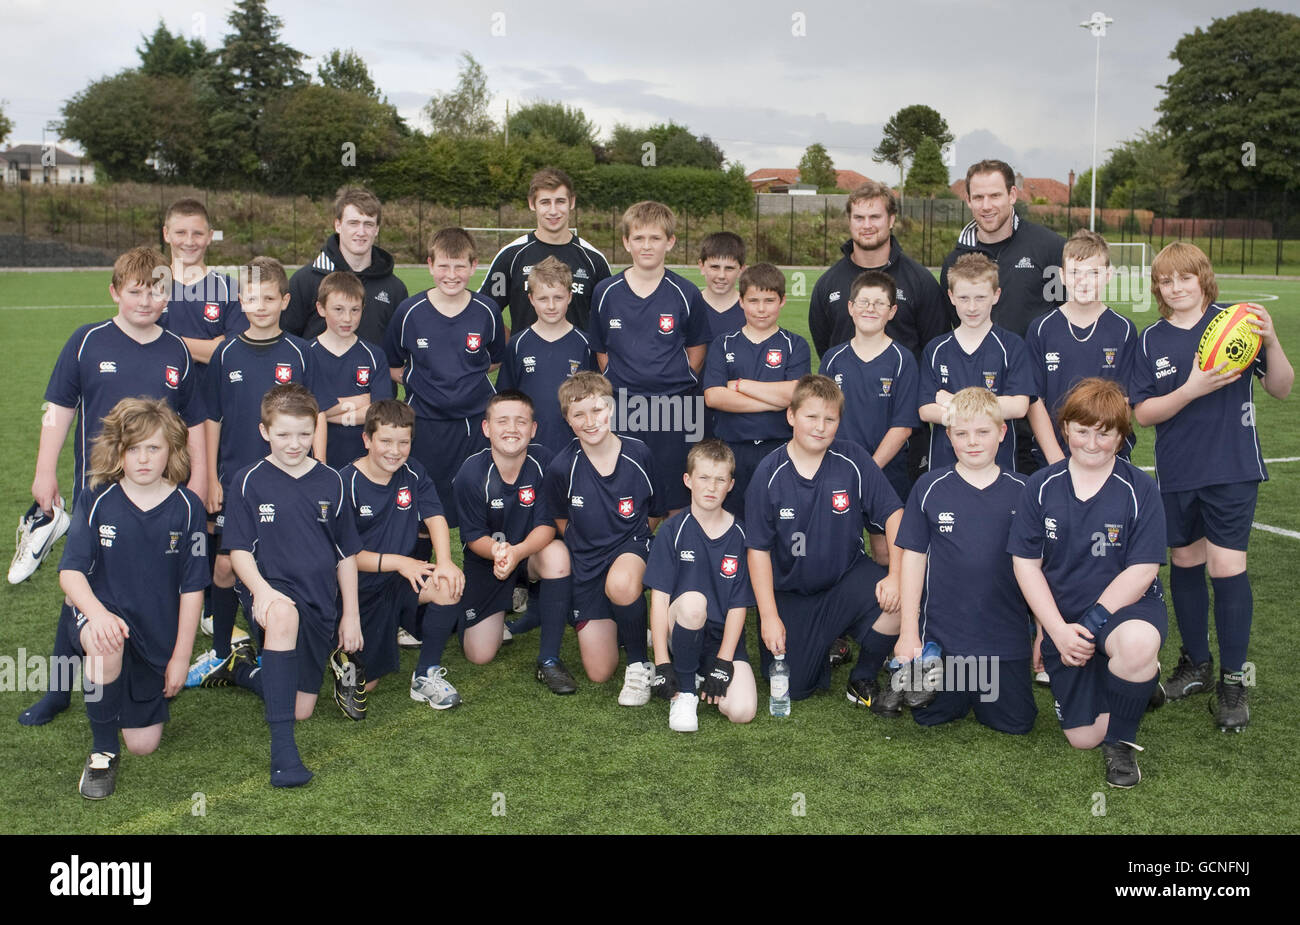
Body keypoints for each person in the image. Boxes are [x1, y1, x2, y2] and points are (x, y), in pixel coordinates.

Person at [19, 246, 207, 727]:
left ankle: (139, 665)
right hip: (97, 491)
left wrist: (203, 480)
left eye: (156, 292)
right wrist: (46, 471)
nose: (146, 302)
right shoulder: (88, 341)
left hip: (155, 495)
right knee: (77, 590)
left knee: (137, 584)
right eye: (135, 292)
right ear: (115, 293)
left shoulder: (177, 351)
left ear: (169, 295)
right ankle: (58, 692)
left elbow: (196, 422)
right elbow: (59, 409)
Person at [1130, 243, 1293, 731]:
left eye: (1185, 278)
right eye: (1165, 281)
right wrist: (1192, 388)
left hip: (1231, 468)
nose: (1176, 288)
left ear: (1203, 278)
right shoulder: (1151, 339)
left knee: (1226, 566)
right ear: (1158, 288)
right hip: (1178, 470)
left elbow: (1281, 388)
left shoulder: (1238, 324)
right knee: (1184, 560)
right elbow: (1142, 413)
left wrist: (1274, 339)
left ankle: (1232, 681)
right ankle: (1196, 664)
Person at [1010, 378, 1168, 787]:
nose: (1092, 444)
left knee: (1134, 646)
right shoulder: (1040, 487)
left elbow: (1143, 569)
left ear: (1121, 435)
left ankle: (1122, 743)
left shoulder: (1141, 490)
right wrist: (1055, 631)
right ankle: (1139, 681)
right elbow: (1027, 566)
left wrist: (1092, 624)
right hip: (1067, 619)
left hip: (1123, 611)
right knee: (1083, 737)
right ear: (1065, 430)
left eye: (1105, 433)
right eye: (1082, 432)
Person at [208, 384, 363, 788]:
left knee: (300, 708)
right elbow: (238, 551)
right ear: (265, 432)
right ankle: (284, 758)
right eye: (283, 434)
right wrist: (261, 591)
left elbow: (345, 554)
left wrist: (351, 615)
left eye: (304, 434)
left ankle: (242, 671)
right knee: (282, 615)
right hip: (269, 589)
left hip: (319, 601)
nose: (294, 444)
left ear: (316, 431)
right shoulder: (248, 481)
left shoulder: (333, 481)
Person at [61, 398, 208, 799]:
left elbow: (192, 587)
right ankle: (102, 751)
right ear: (118, 451)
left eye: (153, 448)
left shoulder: (187, 507)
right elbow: (70, 572)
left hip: (155, 636)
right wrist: (96, 613)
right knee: (105, 641)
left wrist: (180, 657)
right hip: (105, 617)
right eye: (133, 448)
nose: (143, 459)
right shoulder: (97, 499)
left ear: (172, 452)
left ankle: (111, 693)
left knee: (143, 745)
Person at [744, 374, 904, 710]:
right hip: (791, 593)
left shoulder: (853, 460)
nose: (820, 427)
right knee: (794, 687)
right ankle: (828, 642)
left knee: (900, 601)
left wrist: (896, 576)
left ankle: (862, 674)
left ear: (838, 423)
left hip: (846, 579)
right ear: (791, 416)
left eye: (829, 419)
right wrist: (769, 616)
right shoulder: (768, 474)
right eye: (811, 417)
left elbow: (894, 515)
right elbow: (757, 550)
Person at [192, 257, 310, 686]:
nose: (259, 306)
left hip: (287, 481)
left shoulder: (300, 352)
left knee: (278, 566)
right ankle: (221, 653)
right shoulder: (226, 351)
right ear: (240, 301)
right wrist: (209, 478)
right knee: (224, 568)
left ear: (284, 300)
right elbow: (212, 417)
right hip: (234, 482)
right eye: (251, 298)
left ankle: (279, 647)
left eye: (268, 298)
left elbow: (313, 418)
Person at [893, 388, 1033, 734]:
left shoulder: (1026, 491)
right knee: (931, 714)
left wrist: (1043, 632)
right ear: (948, 435)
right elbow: (913, 559)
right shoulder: (928, 487)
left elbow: (1039, 569)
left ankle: (978, 681)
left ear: (1001, 433)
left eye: (983, 432)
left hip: (1004, 638)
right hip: (945, 639)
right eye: (962, 433)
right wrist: (908, 631)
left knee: (1016, 723)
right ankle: (933, 670)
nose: (973, 442)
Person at [439, 391, 577, 696]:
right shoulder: (470, 474)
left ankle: (549, 659)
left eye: (520, 421)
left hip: (529, 554)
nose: (511, 428)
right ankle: (472, 612)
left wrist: (516, 553)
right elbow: (473, 537)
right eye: (502, 421)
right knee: (479, 655)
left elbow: (547, 525)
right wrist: (500, 553)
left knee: (558, 554)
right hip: (489, 558)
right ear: (486, 428)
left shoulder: (546, 463)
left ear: (533, 429)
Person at [540, 372, 664, 704]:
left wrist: (632, 546)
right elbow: (561, 518)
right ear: (567, 419)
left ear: (611, 409)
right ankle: (629, 622)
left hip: (631, 547)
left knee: (622, 583)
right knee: (599, 672)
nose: (590, 421)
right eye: (578, 414)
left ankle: (639, 665)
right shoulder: (561, 468)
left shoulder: (639, 454)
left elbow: (655, 512)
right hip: (588, 562)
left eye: (597, 411)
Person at [337, 400, 462, 715]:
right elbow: (346, 557)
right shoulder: (344, 483)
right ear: (367, 440)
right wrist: (400, 562)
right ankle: (339, 645)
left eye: (403, 442)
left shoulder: (413, 472)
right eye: (386, 441)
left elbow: (435, 516)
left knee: (447, 584)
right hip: (356, 589)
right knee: (368, 683)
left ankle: (425, 674)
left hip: (397, 581)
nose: (395, 450)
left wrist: (445, 561)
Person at [589, 201, 710, 512]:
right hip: (624, 406)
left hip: (676, 406)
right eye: (639, 238)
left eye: (655, 238)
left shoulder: (685, 292)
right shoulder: (606, 292)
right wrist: (621, 379)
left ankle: (680, 556)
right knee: (626, 494)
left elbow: (697, 348)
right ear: (626, 242)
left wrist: (673, 380)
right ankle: (629, 556)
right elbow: (601, 350)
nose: (647, 246)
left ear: (669, 242)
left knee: (677, 496)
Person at [384, 227, 506, 527]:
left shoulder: (487, 311)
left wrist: (464, 380)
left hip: (474, 426)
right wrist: (426, 386)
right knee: (421, 509)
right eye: (443, 266)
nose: (451, 274)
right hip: (424, 423)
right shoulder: (409, 312)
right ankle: (420, 572)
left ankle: (477, 572)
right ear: (430, 264)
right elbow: (392, 365)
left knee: (477, 506)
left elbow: (494, 359)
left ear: (474, 266)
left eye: (460, 266)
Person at [646, 439, 757, 732]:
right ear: (688, 480)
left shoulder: (742, 535)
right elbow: (659, 600)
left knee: (742, 710)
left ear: (731, 485)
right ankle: (685, 691)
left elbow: (738, 605)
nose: (711, 487)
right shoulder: (672, 530)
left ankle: (702, 668)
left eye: (720, 479)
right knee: (695, 603)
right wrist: (661, 662)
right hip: (682, 623)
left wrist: (723, 663)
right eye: (704, 478)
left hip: (722, 638)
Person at [702, 263, 810, 519]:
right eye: (753, 300)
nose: (761, 309)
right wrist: (776, 401)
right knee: (731, 522)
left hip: (780, 448)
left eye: (769, 300)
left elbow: (796, 394)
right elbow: (714, 396)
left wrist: (740, 385)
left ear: (782, 301)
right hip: (732, 449)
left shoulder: (795, 345)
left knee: (778, 520)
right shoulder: (723, 343)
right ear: (741, 301)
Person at [818, 269, 920, 531]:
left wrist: (867, 470)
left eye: (879, 304)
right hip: (837, 467)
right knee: (837, 539)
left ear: (892, 311)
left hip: (886, 469)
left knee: (887, 546)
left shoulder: (902, 360)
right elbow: (822, 416)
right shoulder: (832, 358)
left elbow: (903, 426)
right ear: (851, 307)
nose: (870, 309)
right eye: (863, 302)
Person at [1025, 229, 1137, 465]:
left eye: (1093, 273)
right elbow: (1035, 402)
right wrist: (1055, 457)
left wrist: (1104, 452)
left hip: (1108, 456)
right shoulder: (1041, 329)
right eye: (1075, 272)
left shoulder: (1124, 330)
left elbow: (1124, 402)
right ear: (1062, 276)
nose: (1083, 281)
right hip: (1053, 457)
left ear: (1108, 275)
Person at [808, 180, 949, 359]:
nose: (867, 225)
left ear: (891, 219)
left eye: (875, 217)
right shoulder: (827, 284)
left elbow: (935, 349)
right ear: (849, 221)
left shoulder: (921, 282)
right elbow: (825, 347)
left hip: (905, 387)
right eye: (859, 218)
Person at [919, 253, 1033, 473]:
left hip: (999, 468)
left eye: (980, 297)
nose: (972, 307)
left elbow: (1019, 406)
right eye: (963, 298)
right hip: (946, 467)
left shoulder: (1012, 346)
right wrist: (991, 409)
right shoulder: (936, 349)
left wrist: (952, 402)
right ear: (951, 296)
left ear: (996, 295)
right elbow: (925, 410)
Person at [478, 167, 611, 332]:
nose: (553, 211)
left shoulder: (593, 260)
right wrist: (511, 346)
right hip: (524, 358)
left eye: (560, 201)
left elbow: (610, 321)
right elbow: (483, 311)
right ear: (532, 204)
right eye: (545, 202)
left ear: (572, 202)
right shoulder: (511, 256)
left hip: (580, 358)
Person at [495, 256, 597, 455]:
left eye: (558, 298)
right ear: (531, 299)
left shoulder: (585, 344)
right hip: (527, 449)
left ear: (570, 296)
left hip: (575, 448)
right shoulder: (517, 345)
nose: (551, 306)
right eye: (543, 298)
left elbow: (595, 400)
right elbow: (504, 401)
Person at [284, 186, 409, 344]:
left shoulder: (395, 289)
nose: (361, 232)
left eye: (368, 224)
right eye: (353, 223)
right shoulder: (305, 280)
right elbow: (287, 343)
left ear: (376, 229)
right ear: (338, 225)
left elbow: (399, 351)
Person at [305, 271, 393, 470]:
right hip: (314, 460)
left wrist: (323, 412)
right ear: (321, 308)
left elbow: (380, 413)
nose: (347, 318)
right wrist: (359, 402)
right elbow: (302, 413)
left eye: (355, 310)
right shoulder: (305, 354)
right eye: (338, 309)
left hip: (364, 460)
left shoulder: (374, 355)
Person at [159, 198, 246, 370]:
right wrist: (211, 348)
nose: (189, 241)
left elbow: (235, 353)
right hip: (159, 395)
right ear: (166, 234)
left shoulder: (231, 289)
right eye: (180, 233)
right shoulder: (149, 285)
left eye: (198, 233)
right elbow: (136, 344)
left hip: (213, 395)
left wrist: (162, 341)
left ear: (210, 237)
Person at [696, 232, 747, 341]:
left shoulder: (751, 310)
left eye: (729, 268)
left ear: (741, 270)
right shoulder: (688, 307)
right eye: (715, 267)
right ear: (702, 266)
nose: (721, 276)